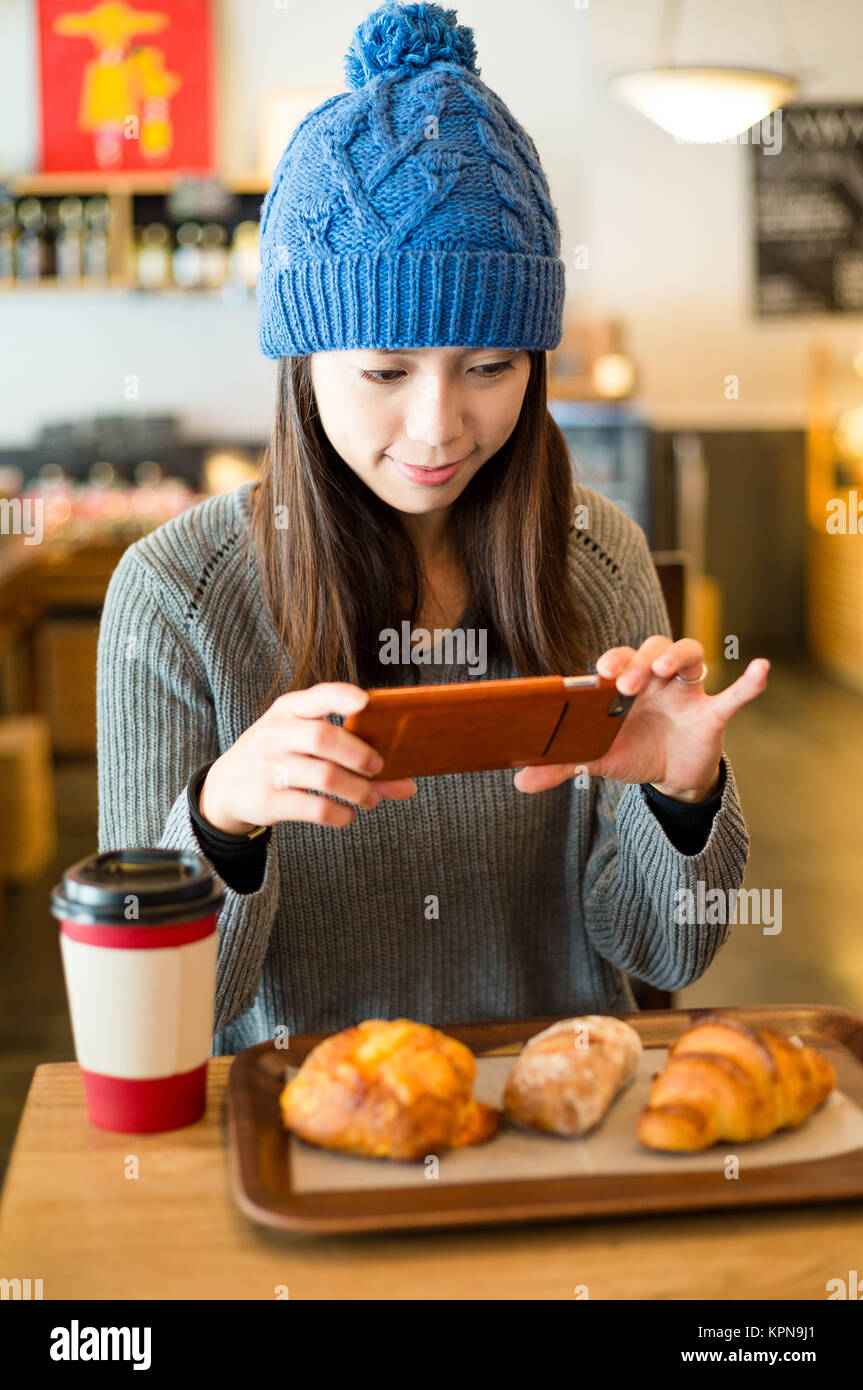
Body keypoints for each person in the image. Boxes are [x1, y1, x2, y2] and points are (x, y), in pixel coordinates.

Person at [97, 2, 766, 1056]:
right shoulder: (174, 595)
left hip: (555, 1118)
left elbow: (663, 954)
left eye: (490, 368)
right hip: (305, 1141)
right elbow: (163, 1018)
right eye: (383, 371)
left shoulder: (599, 560)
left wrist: (680, 798)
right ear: (301, 366)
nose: (438, 426)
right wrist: (221, 817)